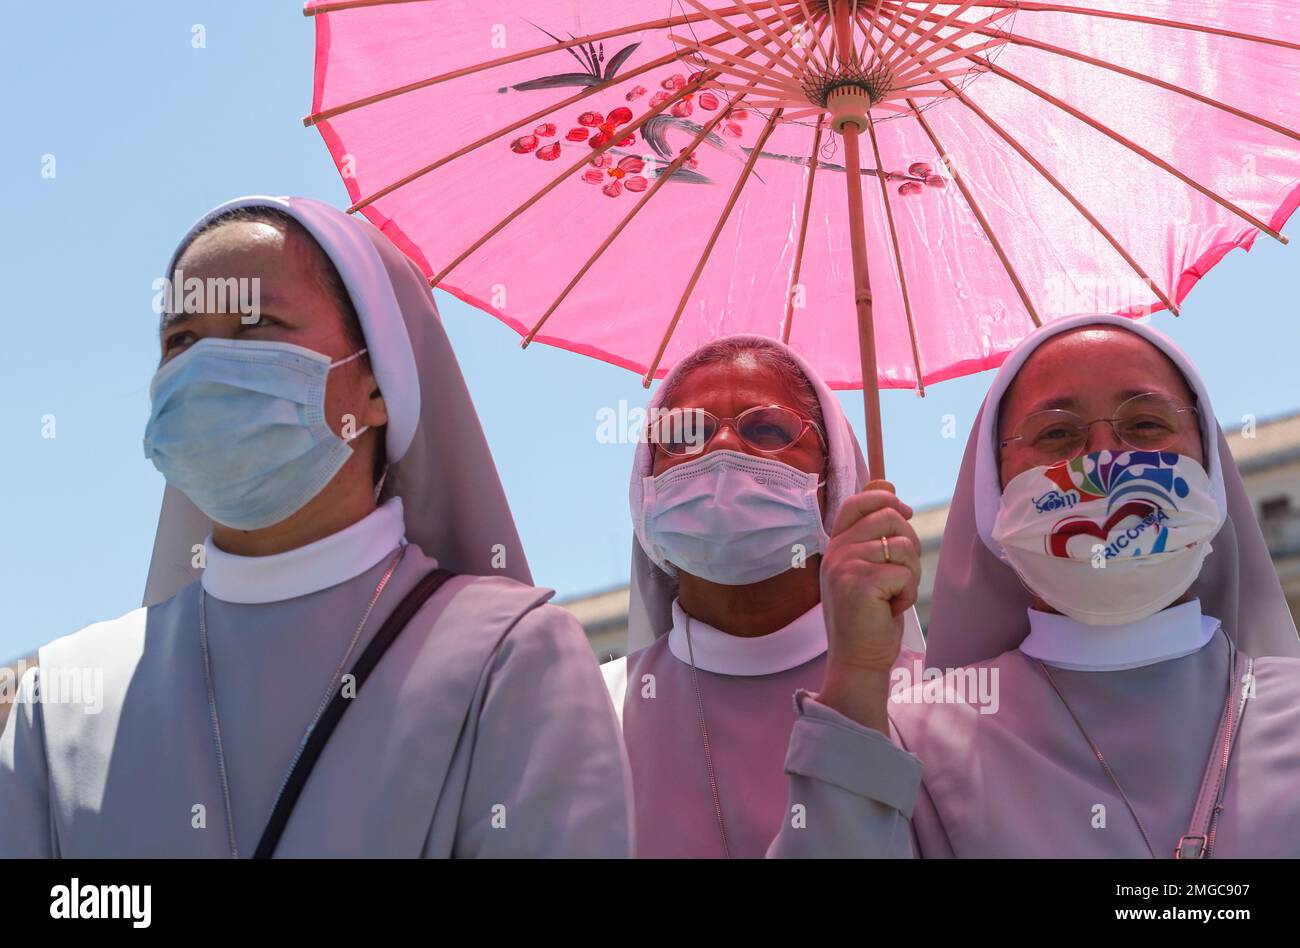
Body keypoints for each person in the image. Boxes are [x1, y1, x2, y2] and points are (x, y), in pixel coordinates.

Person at [0, 195, 632, 858]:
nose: (207, 367)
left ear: (378, 384)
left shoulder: (513, 660)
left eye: (255, 325)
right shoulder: (61, 700)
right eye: (180, 340)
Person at [770, 313, 1300, 858]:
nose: (1102, 458)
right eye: (1057, 433)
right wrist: (855, 678)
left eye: (1144, 425)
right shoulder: (908, 743)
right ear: (994, 492)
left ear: (1212, 470)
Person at [604, 334, 925, 858]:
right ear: (646, 482)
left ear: (833, 479)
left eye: (768, 429)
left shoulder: (939, 706)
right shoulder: (594, 710)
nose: (723, 448)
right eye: (683, 435)